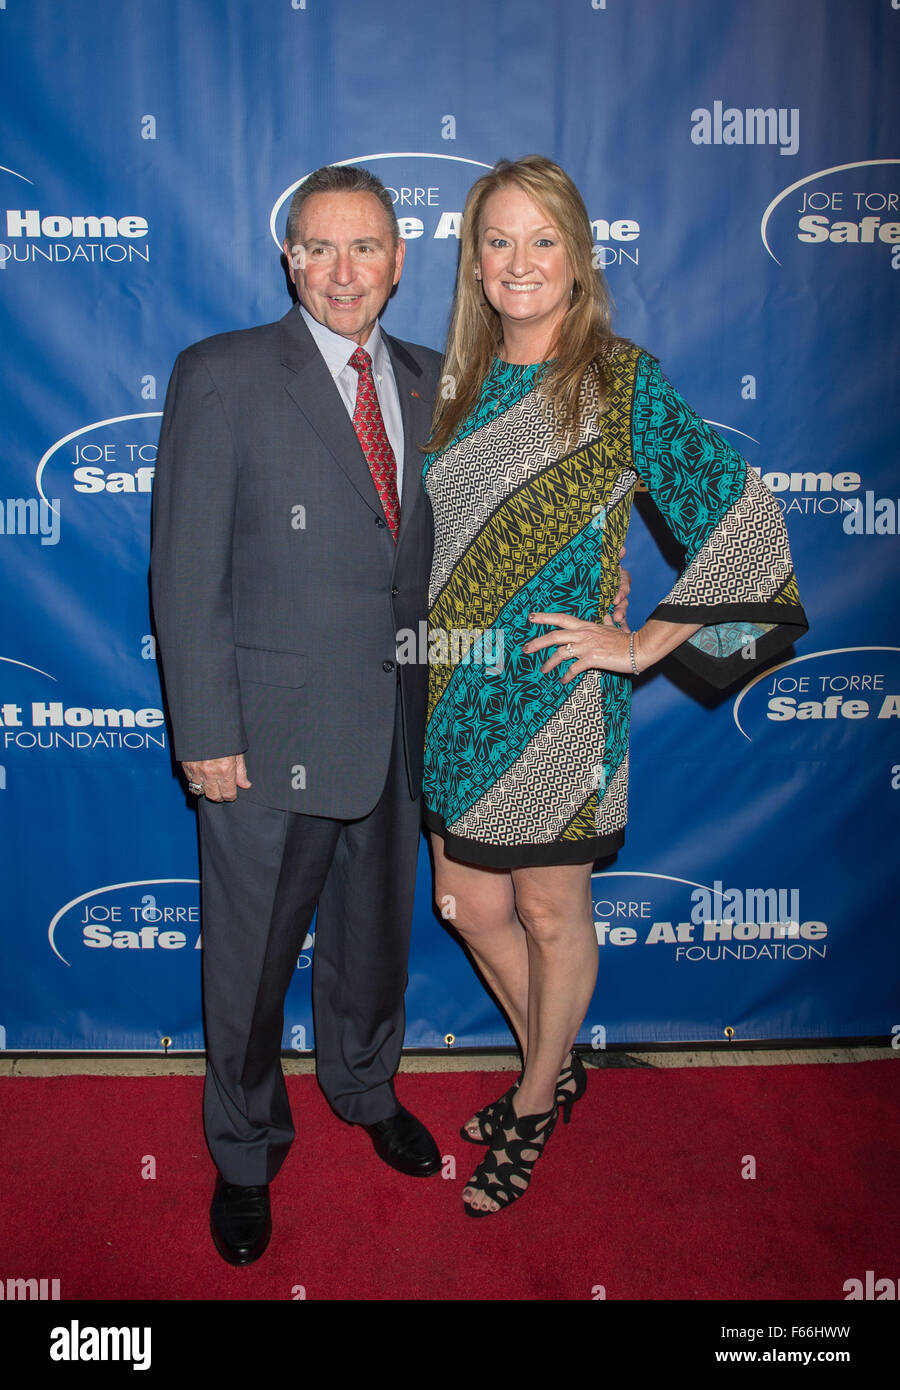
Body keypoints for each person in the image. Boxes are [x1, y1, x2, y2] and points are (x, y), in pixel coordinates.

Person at [422, 155, 808, 1216]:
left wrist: (642, 644)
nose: (520, 261)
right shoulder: (453, 385)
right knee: (465, 901)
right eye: (498, 240)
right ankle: (554, 1063)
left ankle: (535, 1101)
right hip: (456, 698)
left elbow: (745, 521)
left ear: (579, 256)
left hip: (554, 703)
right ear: (475, 263)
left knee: (551, 916)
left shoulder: (618, 379)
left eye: (543, 238)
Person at [150, 165, 447, 1266]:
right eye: (317, 249)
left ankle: (366, 1090)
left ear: (399, 259)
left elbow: (450, 558)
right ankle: (242, 1149)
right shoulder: (222, 375)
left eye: (363, 247)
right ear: (288, 259)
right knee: (249, 963)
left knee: (374, 949)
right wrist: (206, 731)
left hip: (394, 729)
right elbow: (185, 577)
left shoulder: (429, 381)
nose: (341, 271)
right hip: (263, 738)